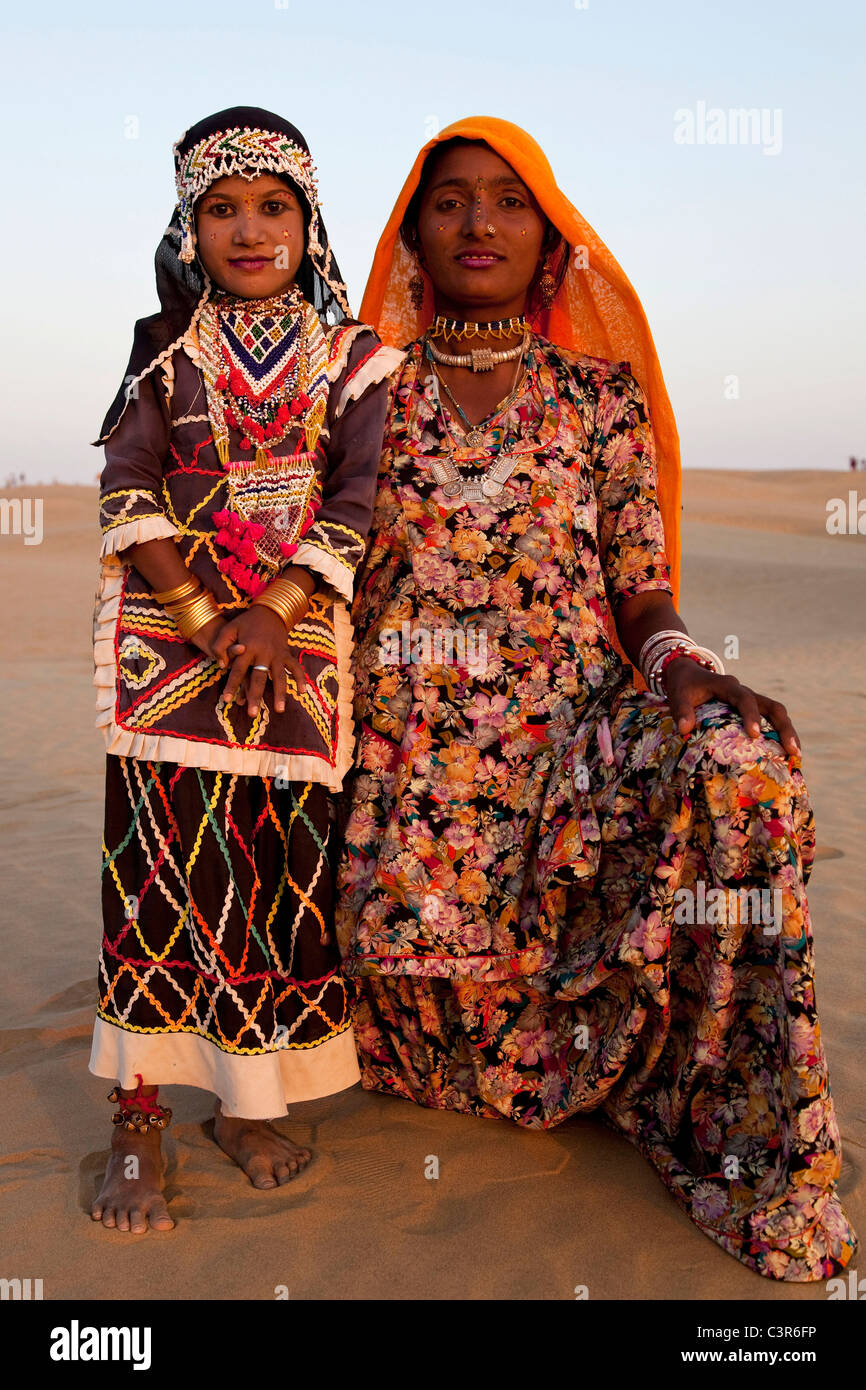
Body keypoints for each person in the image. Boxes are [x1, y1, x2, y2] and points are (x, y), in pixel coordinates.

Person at [334, 117, 857, 1281]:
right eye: (451, 199)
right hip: (408, 767)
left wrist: (683, 665)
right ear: (413, 232)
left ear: (550, 236)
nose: (478, 221)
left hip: (571, 743)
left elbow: (638, 588)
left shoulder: (600, 399)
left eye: (509, 200)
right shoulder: (361, 394)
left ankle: (734, 1104)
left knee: (740, 761)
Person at [89, 107, 400, 1233]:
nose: (249, 229)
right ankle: (135, 1122)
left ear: (308, 221)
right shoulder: (163, 349)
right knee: (159, 877)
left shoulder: (355, 358)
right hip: (168, 658)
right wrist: (203, 613)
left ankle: (245, 1101)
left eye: (273, 206)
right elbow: (127, 489)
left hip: (298, 652)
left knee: (273, 882)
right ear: (188, 228)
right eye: (222, 210)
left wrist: (270, 616)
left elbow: (358, 502)